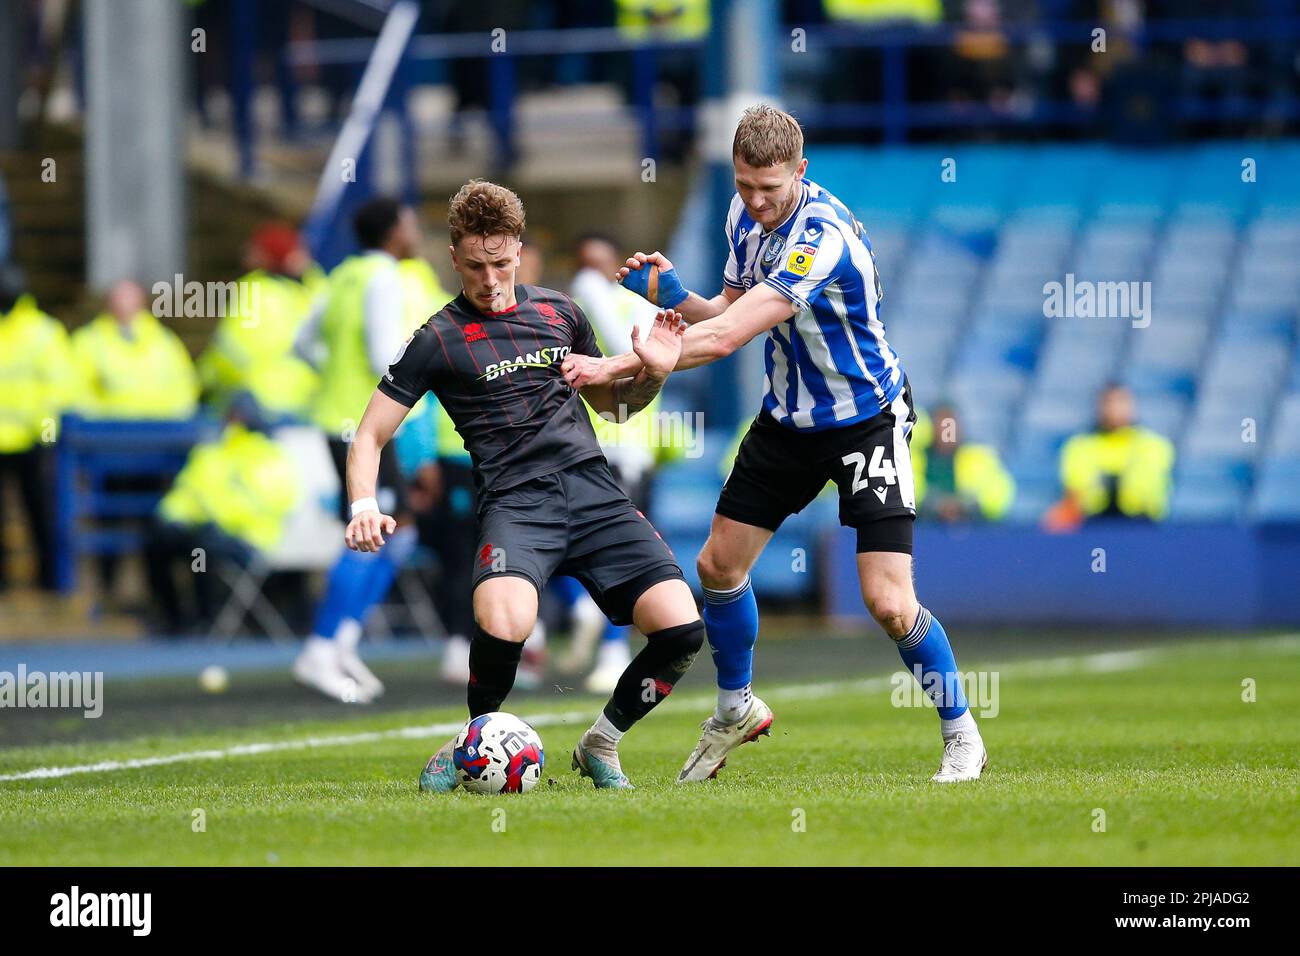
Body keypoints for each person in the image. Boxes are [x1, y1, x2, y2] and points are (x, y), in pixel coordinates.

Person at [564, 104, 988, 784]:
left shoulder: (820, 236)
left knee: (888, 602)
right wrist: (674, 296)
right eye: (744, 185)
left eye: (771, 188)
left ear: (802, 171)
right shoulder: (744, 215)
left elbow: (730, 338)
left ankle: (963, 732)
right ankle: (734, 708)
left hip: (865, 419)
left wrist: (617, 366)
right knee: (718, 565)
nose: (757, 202)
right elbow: (727, 314)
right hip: (789, 419)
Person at [345, 179, 704, 791]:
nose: (490, 279)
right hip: (517, 504)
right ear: (454, 257)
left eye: (502, 262)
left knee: (681, 632)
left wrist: (653, 375)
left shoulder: (559, 312)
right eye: (476, 266)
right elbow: (368, 436)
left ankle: (601, 743)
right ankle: (470, 744)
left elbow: (616, 410)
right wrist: (362, 504)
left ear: (519, 251)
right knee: (504, 620)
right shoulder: (437, 338)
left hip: (595, 492)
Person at [290, 197, 421, 703]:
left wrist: (333, 377)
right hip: (365, 426)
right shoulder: (385, 276)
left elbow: (303, 343)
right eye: (409, 223)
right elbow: (384, 353)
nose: (415, 232)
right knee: (375, 529)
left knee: (400, 530)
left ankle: (341, 641)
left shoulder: (340, 276)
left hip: (337, 418)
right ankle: (321, 647)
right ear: (393, 232)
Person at [564, 232, 669, 692]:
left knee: (616, 555)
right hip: (610, 448)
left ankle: (609, 648)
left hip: (620, 448)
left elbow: (629, 355)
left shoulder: (613, 303)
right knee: (571, 546)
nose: (593, 271)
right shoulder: (638, 307)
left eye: (600, 263)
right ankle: (589, 618)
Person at [146, 393, 301, 634]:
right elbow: (187, 491)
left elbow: (266, 505)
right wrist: (170, 518)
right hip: (205, 530)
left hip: (250, 539)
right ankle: (174, 617)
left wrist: (215, 519)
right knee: (158, 539)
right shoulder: (213, 450)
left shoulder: (268, 456)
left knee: (203, 549)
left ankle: (206, 617)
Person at [196, 222, 325, 420]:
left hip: (260, 403)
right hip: (313, 402)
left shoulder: (254, 291)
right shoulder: (320, 289)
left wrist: (206, 381)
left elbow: (229, 351)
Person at [0, 264, 75, 591]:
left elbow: (56, 391)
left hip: (30, 440)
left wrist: (45, 436)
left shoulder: (42, 331)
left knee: (40, 512)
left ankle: (50, 581)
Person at [1047, 383, 1175, 528]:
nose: (1114, 409)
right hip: (1092, 527)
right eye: (1108, 403)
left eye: (1121, 402)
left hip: (1144, 527)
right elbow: (1073, 497)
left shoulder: (1154, 445)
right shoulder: (1079, 446)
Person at [912, 403, 1015, 522]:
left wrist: (965, 505)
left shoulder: (979, 457)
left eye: (950, 424)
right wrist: (935, 504)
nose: (947, 431)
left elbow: (998, 494)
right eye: (942, 424)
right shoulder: (914, 458)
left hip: (973, 530)